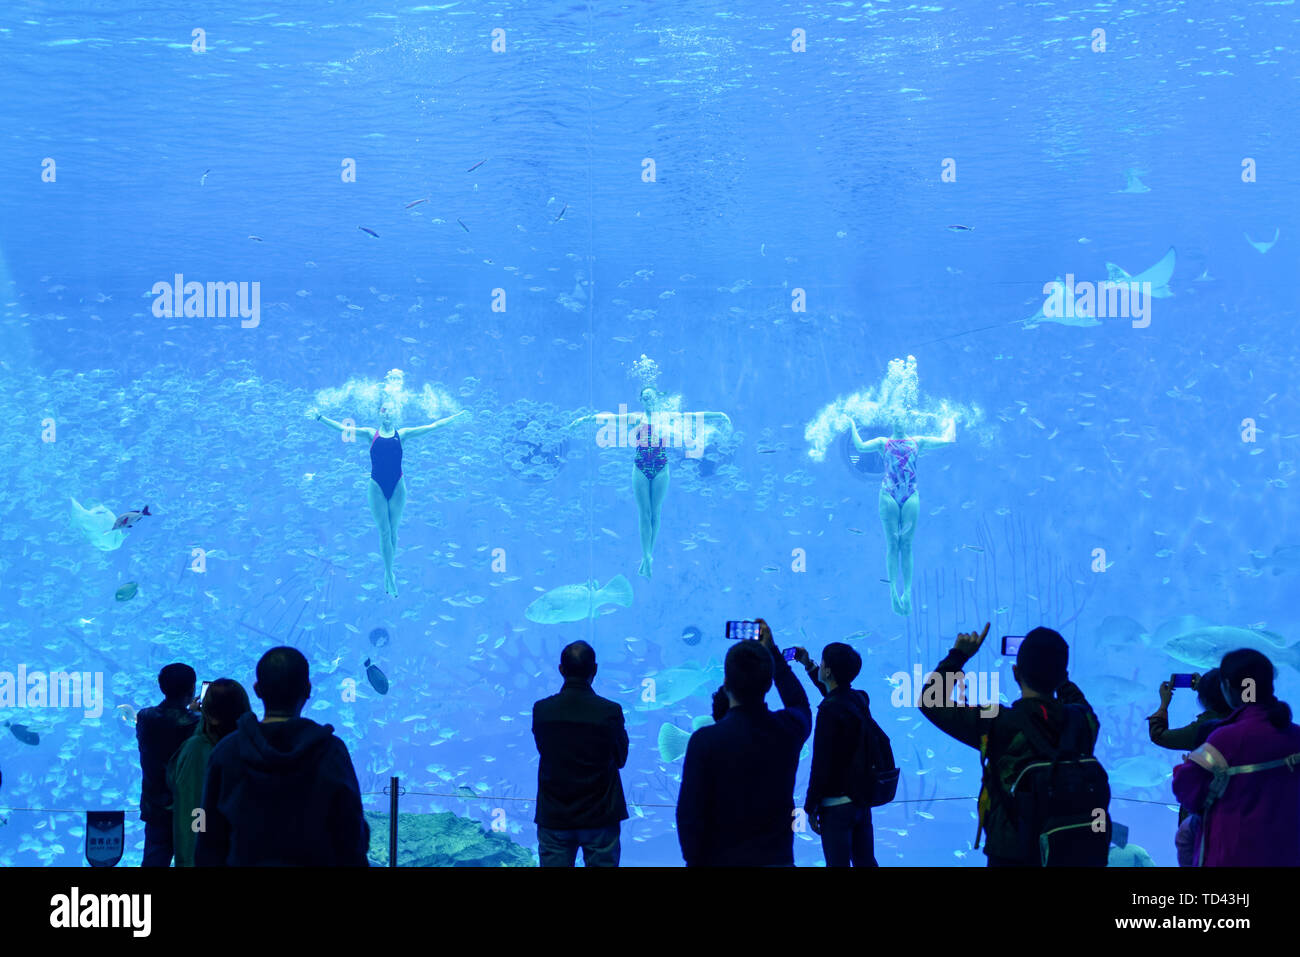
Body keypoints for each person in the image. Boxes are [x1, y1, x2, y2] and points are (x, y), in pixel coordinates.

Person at [918, 623, 1104, 866]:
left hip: (1013, 852)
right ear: (1062, 674)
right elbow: (1076, 699)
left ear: (1016, 673)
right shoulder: (1084, 720)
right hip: (1073, 848)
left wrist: (958, 656)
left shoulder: (996, 722)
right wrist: (1060, 676)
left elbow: (930, 701)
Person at [195, 647, 369, 866]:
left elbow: (207, 831)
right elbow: (351, 830)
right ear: (307, 689)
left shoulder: (226, 751)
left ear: (257, 690)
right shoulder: (331, 751)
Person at [313, 382, 468, 597]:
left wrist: (454, 418)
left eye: (390, 410)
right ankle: (389, 574)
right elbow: (343, 429)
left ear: (395, 413)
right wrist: (320, 418)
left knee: (394, 531)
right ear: (379, 413)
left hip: (398, 485)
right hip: (376, 485)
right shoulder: (370, 434)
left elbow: (432, 427)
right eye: (383, 410)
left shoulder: (402, 434)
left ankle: (388, 574)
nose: (387, 413)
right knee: (384, 531)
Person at [677, 618, 811, 866]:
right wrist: (772, 651)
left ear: (726, 684)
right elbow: (800, 705)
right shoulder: (786, 730)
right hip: (775, 860)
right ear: (769, 684)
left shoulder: (704, 741)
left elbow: (689, 815)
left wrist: (696, 861)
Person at [568, 386, 731, 578]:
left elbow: (693, 416)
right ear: (641, 400)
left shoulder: (667, 417)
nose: (648, 400)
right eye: (645, 397)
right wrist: (584, 419)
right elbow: (610, 418)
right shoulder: (635, 418)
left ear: (656, 399)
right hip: (640, 468)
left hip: (661, 468)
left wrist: (719, 415)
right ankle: (646, 557)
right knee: (644, 514)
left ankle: (648, 555)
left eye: (651, 397)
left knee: (656, 513)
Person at [1172, 648, 1300, 867]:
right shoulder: (1295, 734)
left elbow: (1187, 790)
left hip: (1235, 854)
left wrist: (1183, 768)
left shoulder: (1225, 739)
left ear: (1228, 687)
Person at [531, 641, 629, 866]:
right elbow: (621, 759)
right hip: (600, 815)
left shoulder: (542, 710)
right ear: (594, 669)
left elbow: (544, 751)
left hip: (554, 815)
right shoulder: (610, 711)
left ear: (561, 669)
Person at [847, 412, 955, 615]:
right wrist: (852, 424)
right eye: (894, 416)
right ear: (891, 420)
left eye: (901, 416)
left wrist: (951, 421)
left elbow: (946, 440)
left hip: (910, 494)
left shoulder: (918, 441)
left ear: (907, 420)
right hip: (888, 493)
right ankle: (892, 591)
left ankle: (906, 591)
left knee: (906, 544)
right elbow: (860, 446)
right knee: (892, 544)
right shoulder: (883, 442)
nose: (898, 419)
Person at [792, 642, 877, 866]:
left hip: (836, 807)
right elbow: (836, 694)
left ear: (828, 671)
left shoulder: (828, 711)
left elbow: (820, 764)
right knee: (866, 862)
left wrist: (810, 807)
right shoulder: (859, 699)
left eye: (822, 663)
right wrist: (809, 665)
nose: (820, 665)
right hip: (860, 801)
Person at [166, 679, 252, 867]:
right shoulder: (256, 744)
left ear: (209, 713)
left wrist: (192, 858)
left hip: (208, 854)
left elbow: (195, 810)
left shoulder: (198, 750)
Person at [136, 662, 199, 866]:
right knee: (198, 856)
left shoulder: (145, 717)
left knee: (154, 860)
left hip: (156, 806)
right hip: (196, 810)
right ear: (192, 689)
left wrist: (189, 710)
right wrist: (196, 712)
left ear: (162, 687)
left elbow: (169, 723)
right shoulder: (198, 722)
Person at [1148, 668, 1231, 752]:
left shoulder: (1206, 728)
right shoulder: (1241, 709)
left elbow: (1158, 736)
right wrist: (1205, 685)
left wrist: (1163, 705)